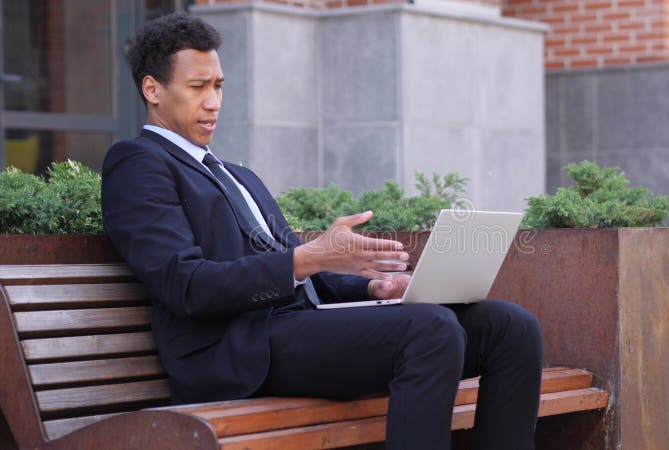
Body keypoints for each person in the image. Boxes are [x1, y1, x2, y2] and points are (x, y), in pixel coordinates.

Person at [102, 12, 543, 450]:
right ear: (152, 89)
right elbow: (186, 284)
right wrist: (309, 257)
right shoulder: (138, 163)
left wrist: (374, 288)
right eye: (197, 87)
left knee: (510, 327)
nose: (214, 101)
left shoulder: (238, 175)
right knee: (430, 330)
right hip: (235, 350)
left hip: (295, 329)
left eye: (218, 86)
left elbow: (303, 276)